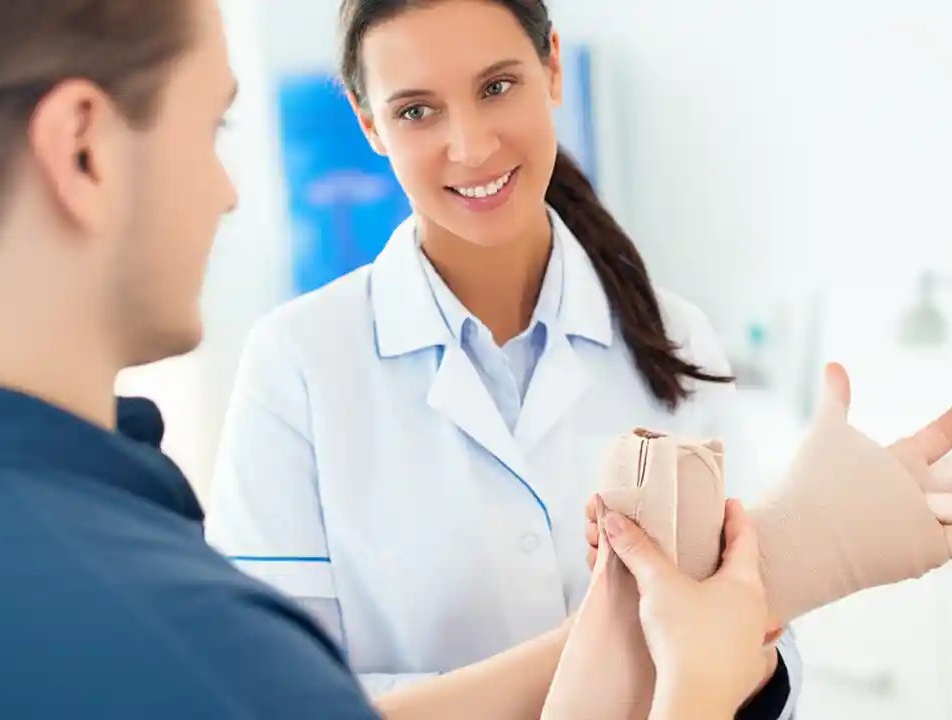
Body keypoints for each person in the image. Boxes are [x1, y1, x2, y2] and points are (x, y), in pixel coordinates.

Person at [0, 0, 785, 717]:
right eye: (210, 129)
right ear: (83, 149)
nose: (227, 195)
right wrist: (669, 664)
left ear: (550, 71)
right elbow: (299, 690)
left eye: (497, 86)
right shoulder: (170, 624)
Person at [207, 0, 800, 713]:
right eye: (417, 112)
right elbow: (272, 698)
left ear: (551, 67)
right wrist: (617, 643)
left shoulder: (676, 338)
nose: (471, 145)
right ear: (370, 126)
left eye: (496, 87)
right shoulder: (296, 365)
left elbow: (767, 658)